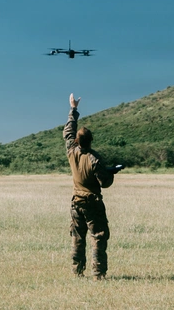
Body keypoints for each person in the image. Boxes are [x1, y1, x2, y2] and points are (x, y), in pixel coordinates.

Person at [62, 92, 115, 279]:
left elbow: (68, 132)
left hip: (76, 202)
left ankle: (77, 271)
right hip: (92, 203)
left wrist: (73, 109)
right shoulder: (94, 158)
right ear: (91, 141)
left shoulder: (71, 151)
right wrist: (111, 173)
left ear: (77, 140)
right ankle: (98, 273)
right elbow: (105, 183)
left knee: (77, 238)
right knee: (98, 236)